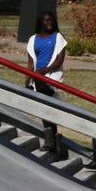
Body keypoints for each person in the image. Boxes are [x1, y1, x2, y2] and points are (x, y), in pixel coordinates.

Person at [25, 10, 67, 153]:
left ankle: (51, 142)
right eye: (46, 21)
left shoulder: (58, 37)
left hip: (51, 79)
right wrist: (27, 80)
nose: (49, 23)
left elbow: (60, 59)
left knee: (47, 109)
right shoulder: (33, 39)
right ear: (40, 23)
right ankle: (55, 141)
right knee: (44, 110)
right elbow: (30, 62)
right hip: (36, 79)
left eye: (51, 20)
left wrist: (44, 71)